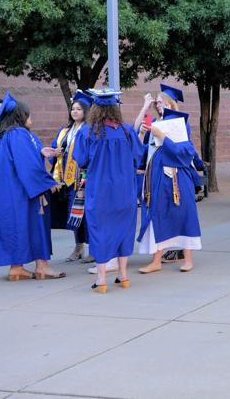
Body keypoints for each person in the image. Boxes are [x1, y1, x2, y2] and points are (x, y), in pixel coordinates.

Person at [0, 93, 64, 281]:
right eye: (29, 115)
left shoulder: (2, 136)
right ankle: (42, 266)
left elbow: (16, 161)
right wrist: (47, 183)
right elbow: (27, 166)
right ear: (20, 116)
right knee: (37, 224)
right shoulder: (19, 134)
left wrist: (40, 151)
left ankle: (16, 268)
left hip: (8, 191)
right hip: (24, 191)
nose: (32, 119)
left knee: (16, 226)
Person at [74, 91, 142, 293]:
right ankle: (123, 276)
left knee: (100, 231)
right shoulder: (127, 131)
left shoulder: (87, 132)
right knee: (124, 231)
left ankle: (101, 279)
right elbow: (137, 158)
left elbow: (81, 160)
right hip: (125, 191)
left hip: (99, 191)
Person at [137, 109, 203, 274]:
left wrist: (164, 138)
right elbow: (141, 156)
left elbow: (182, 156)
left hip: (181, 185)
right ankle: (156, 261)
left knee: (185, 217)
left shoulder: (186, 145)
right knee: (158, 216)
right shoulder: (156, 147)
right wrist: (142, 134)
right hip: (160, 186)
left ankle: (188, 260)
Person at [50, 91, 92, 263]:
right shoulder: (65, 130)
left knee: (86, 215)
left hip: (82, 178)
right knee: (73, 215)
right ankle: (79, 246)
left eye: (78, 109)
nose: (74, 112)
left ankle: (94, 249)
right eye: (73, 109)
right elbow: (54, 147)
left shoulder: (89, 129)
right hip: (66, 178)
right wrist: (55, 151)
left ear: (86, 111)